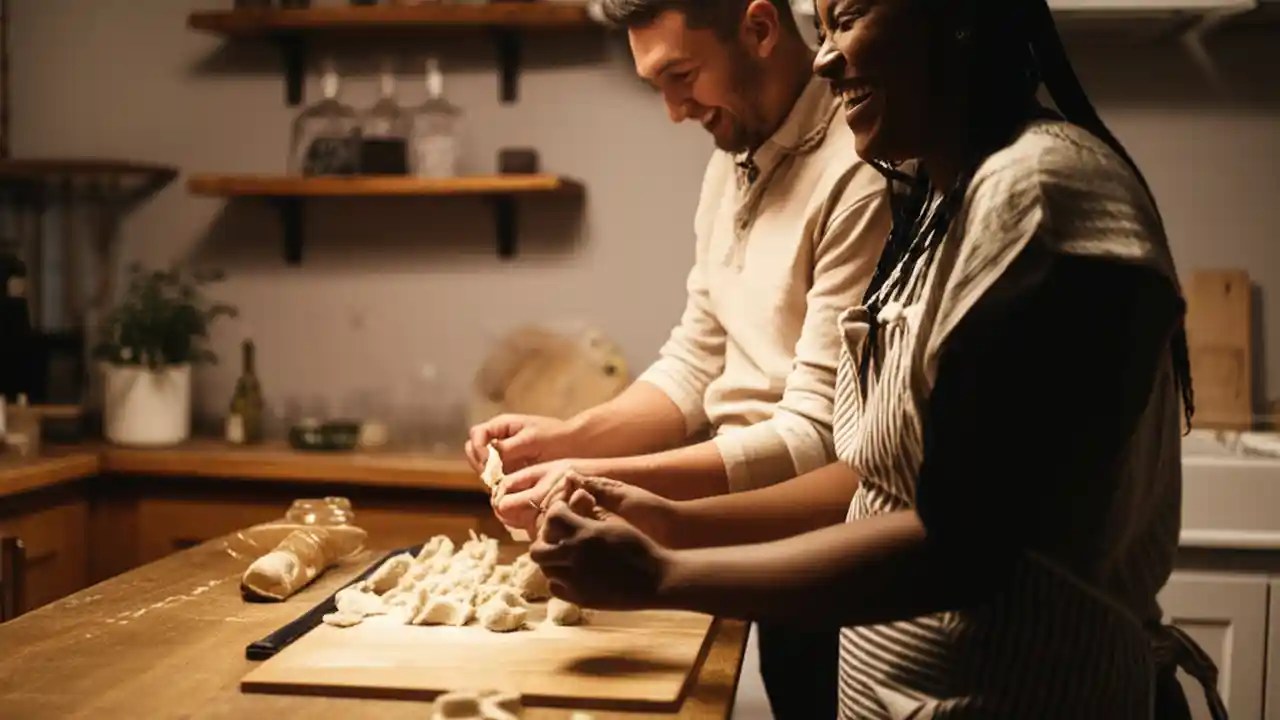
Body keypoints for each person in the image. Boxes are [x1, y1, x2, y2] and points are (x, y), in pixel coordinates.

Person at [527, 0, 1227, 718]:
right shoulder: (940, 201)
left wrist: (666, 572)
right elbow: (879, 484)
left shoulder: (1046, 199)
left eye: (850, 17)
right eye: (821, 26)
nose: (825, 58)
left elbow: (960, 546)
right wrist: (667, 519)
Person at [466, 2, 890, 716]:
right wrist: (566, 439)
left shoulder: (860, 168)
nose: (672, 110)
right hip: (755, 534)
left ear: (759, 29)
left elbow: (819, 436)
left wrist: (597, 476)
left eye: (682, 75)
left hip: (835, 558)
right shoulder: (733, 164)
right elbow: (695, 363)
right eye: (654, 84)